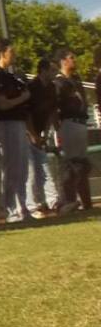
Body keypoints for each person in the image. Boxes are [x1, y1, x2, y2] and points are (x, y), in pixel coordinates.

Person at [0, 39, 35, 225]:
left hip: (18, 123)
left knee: (22, 167)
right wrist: (22, 98)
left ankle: (22, 206)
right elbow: (2, 104)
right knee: (12, 167)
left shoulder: (12, 76)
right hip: (6, 123)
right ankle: (11, 209)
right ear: (3, 53)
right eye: (11, 52)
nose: (13, 56)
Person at [52, 48, 93, 212]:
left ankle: (86, 201)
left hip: (81, 122)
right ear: (63, 61)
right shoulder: (59, 82)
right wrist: (58, 129)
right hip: (68, 123)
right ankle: (68, 201)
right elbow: (54, 108)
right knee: (72, 164)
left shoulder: (75, 79)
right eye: (71, 58)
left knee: (82, 163)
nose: (73, 60)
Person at [27, 55, 62, 216]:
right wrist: (33, 134)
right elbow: (26, 114)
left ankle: (54, 202)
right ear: (43, 70)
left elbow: (51, 112)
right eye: (52, 70)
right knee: (31, 171)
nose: (55, 73)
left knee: (44, 167)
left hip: (40, 133)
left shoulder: (51, 88)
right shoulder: (32, 86)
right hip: (27, 132)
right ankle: (32, 206)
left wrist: (44, 134)